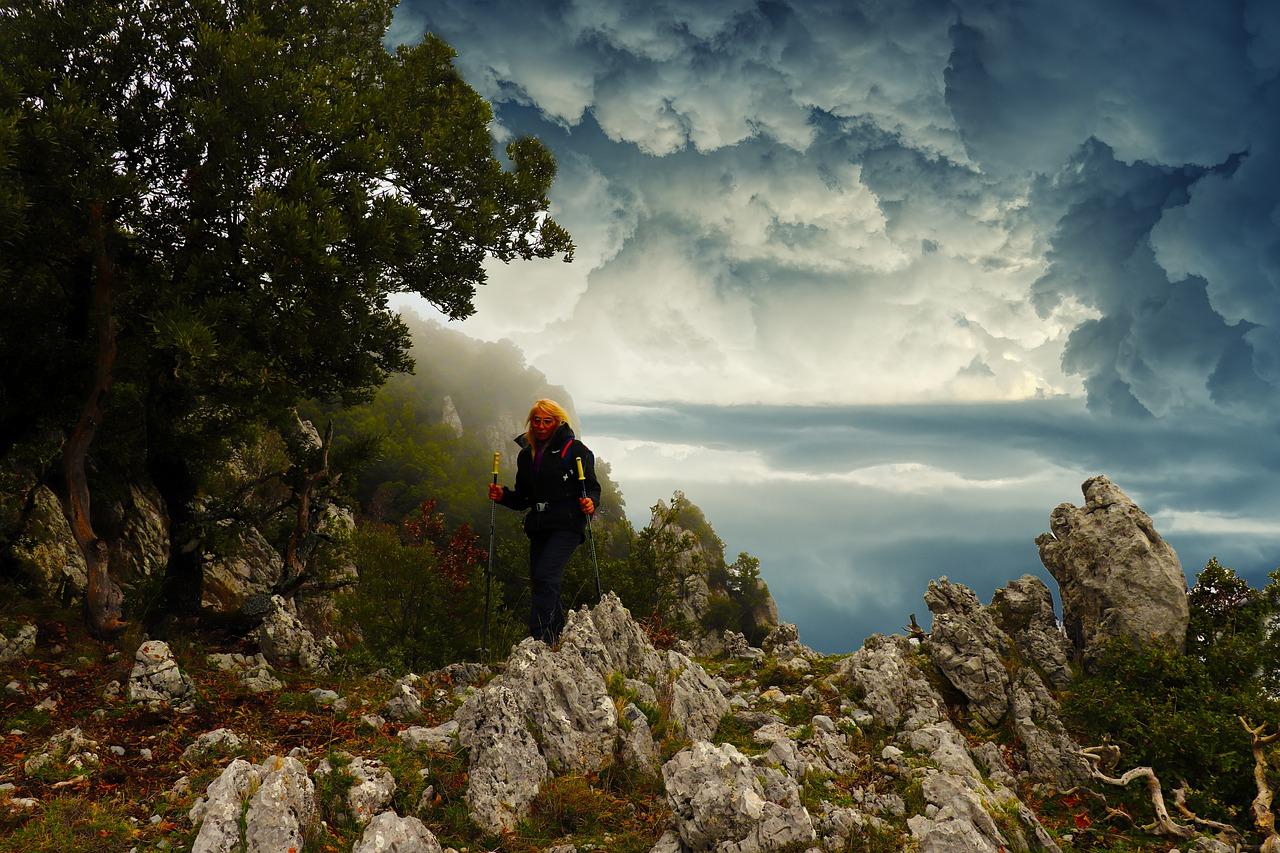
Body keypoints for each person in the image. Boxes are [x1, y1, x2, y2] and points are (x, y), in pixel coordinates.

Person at [489, 399, 601, 643]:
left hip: (567, 524)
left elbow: (592, 487)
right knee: (542, 579)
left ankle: (539, 639)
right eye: (536, 420)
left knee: (545, 576)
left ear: (558, 422)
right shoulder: (526, 455)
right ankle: (555, 637)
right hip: (540, 525)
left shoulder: (576, 450)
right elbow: (523, 498)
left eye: (547, 421)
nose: (540, 426)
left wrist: (591, 502)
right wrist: (503, 496)